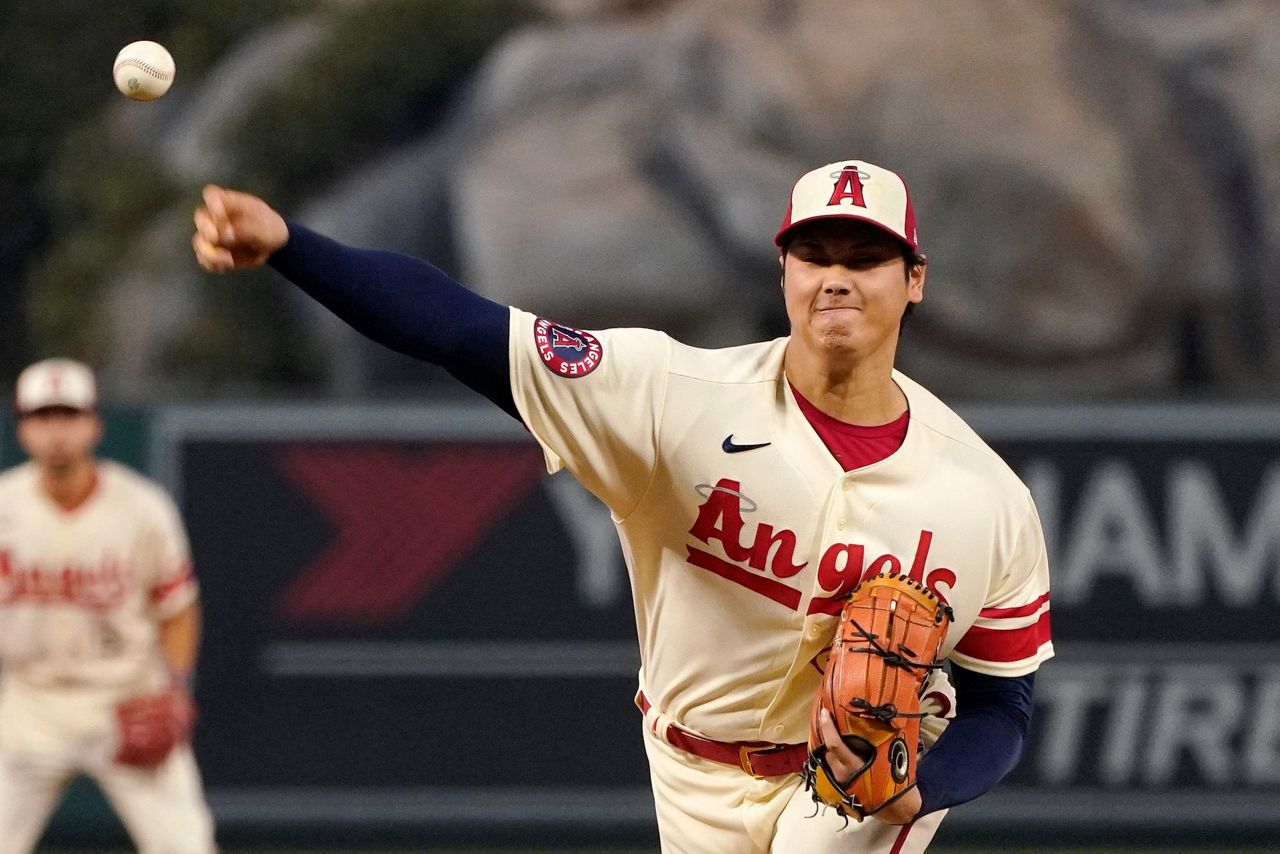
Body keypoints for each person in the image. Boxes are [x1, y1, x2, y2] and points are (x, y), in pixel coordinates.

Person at [192, 159, 1053, 853]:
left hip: (854, 782)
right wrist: (291, 246)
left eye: (864, 258)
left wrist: (921, 789)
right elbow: (458, 328)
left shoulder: (985, 499)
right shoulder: (671, 395)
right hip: (689, 767)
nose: (836, 277)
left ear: (914, 279)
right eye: (815, 254)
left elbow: (1002, 706)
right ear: (784, 270)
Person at [0, 359, 216, 854]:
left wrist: (174, 689)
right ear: (22, 429)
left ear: (94, 425)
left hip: (127, 697)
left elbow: (178, 608)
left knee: (187, 848)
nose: (57, 432)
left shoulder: (142, 507)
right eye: (43, 417)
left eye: (69, 415)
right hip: (29, 702)